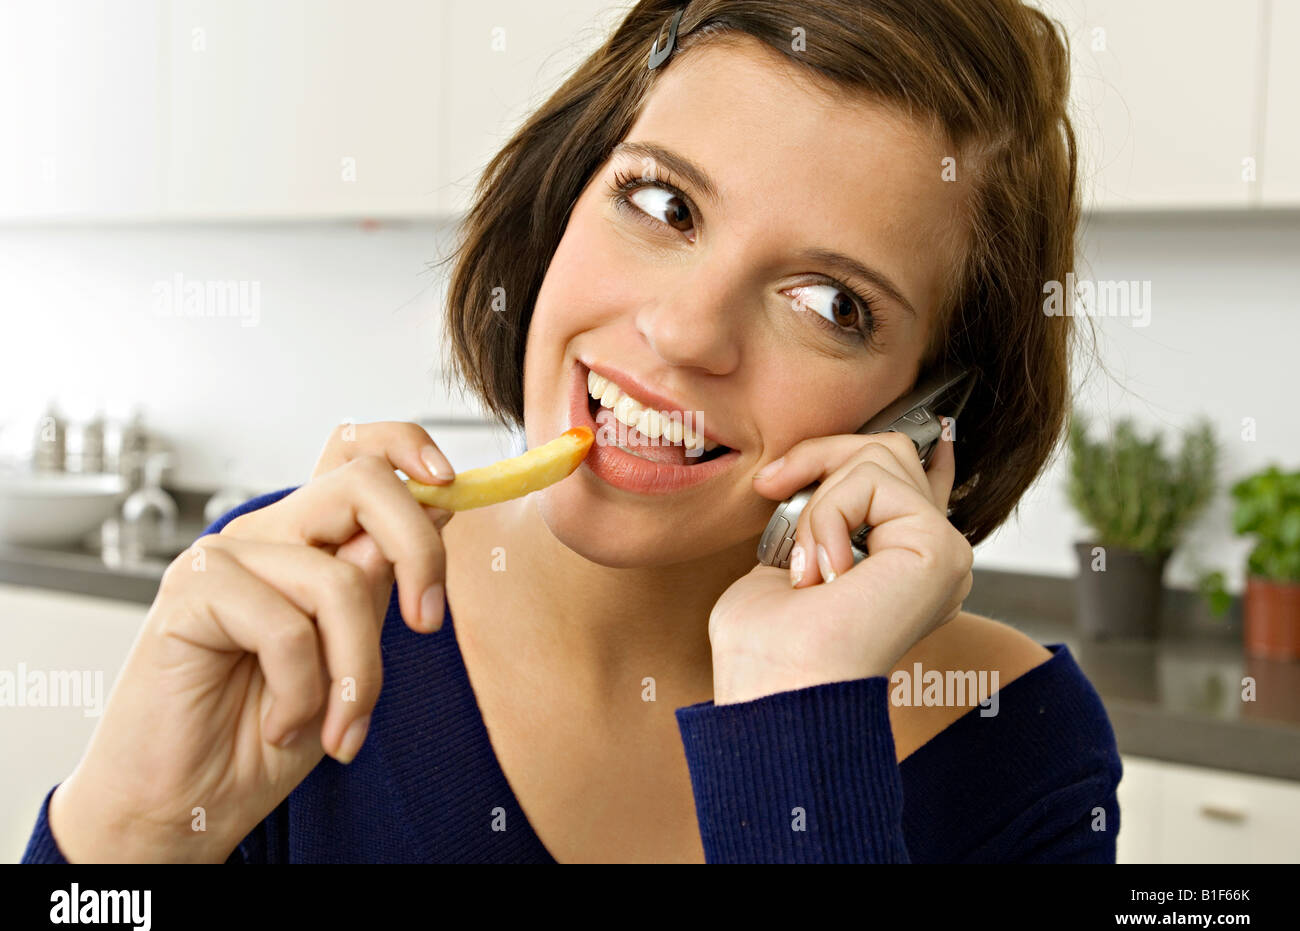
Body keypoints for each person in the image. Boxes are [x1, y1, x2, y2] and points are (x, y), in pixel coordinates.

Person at [24, 0, 1119, 864]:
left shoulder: (1014, 747)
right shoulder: (297, 609)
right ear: (563, 196)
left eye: (832, 302)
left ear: (927, 412)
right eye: (663, 204)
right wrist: (129, 839)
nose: (684, 331)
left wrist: (799, 723)